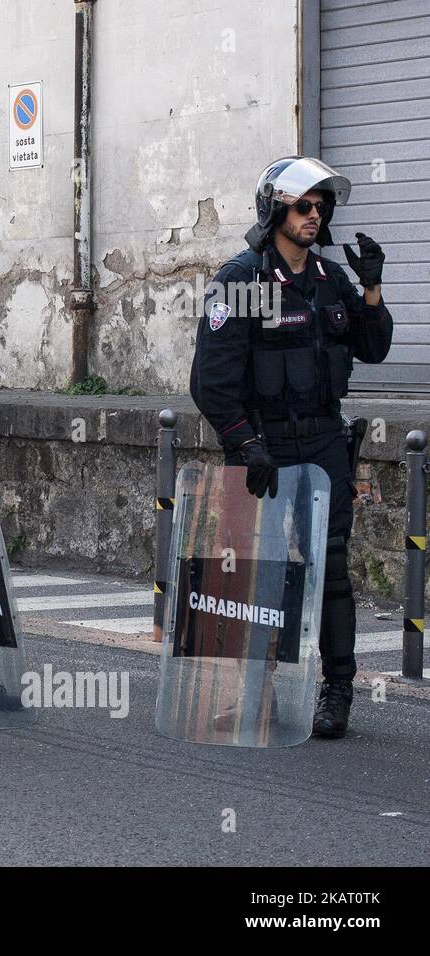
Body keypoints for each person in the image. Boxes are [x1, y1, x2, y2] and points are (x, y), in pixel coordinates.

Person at [190, 156, 393, 740]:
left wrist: (373, 289)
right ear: (276, 209)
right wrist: (245, 444)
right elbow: (212, 382)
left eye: (320, 206)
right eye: (304, 205)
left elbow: (374, 347)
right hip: (266, 451)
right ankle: (257, 693)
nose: (315, 214)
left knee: (330, 570)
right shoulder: (243, 282)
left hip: (325, 445)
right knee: (261, 576)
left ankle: (337, 694)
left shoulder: (330, 281)